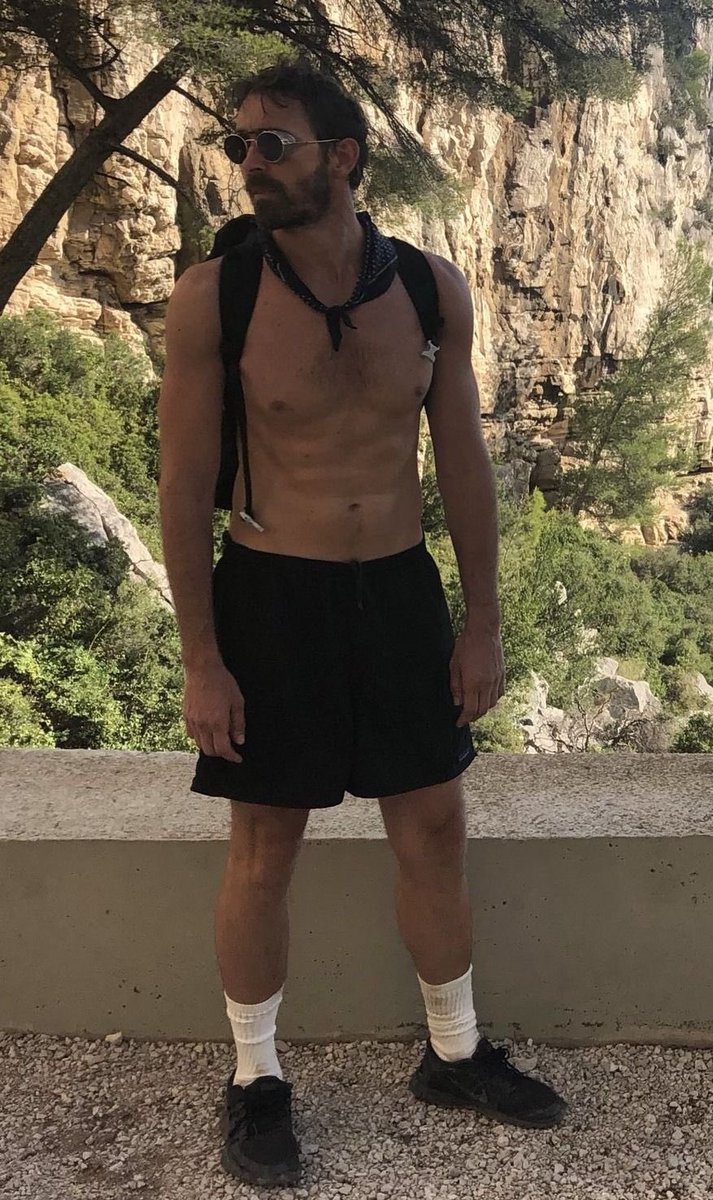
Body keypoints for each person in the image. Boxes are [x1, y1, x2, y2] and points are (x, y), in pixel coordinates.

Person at [158, 57, 567, 1189]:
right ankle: (255, 1080)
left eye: (271, 143)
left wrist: (480, 625)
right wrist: (201, 659)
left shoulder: (430, 291)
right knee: (263, 850)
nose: (248, 163)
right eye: (237, 144)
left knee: (433, 827)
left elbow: (463, 464)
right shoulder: (215, 296)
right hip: (270, 594)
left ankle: (454, 1052)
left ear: (341, 157)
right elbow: (182, 488)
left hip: (395, 591)